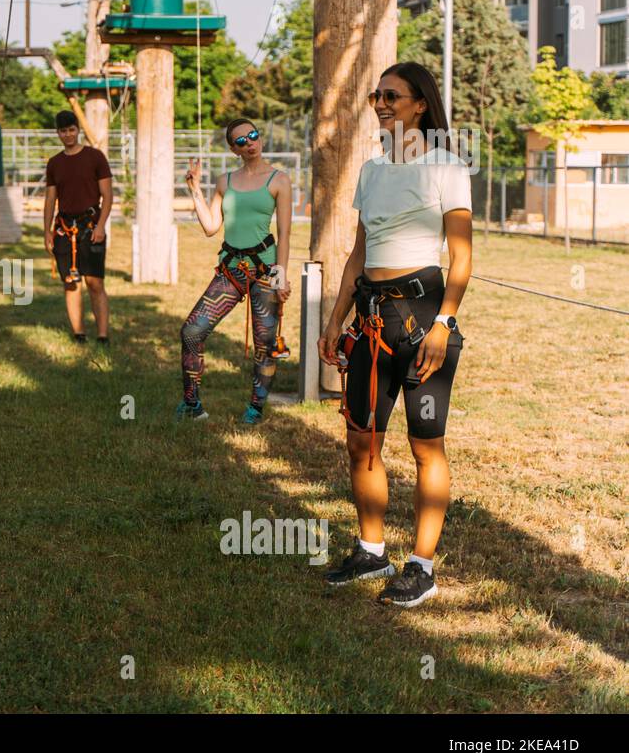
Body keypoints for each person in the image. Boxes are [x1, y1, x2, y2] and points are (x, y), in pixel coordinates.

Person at [318, 61, 472, 608]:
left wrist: (443, 323)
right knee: (361, 440)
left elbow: (462, 257)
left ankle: (422, 567)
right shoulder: (372, 170)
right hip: (371, 317)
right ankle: (371, 551)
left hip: (424, 316)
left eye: (391, 95)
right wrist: (336, 319)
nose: (380, 104)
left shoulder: (447, 167)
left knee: (426, 446)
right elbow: (358, 252)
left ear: (419, 105)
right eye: (376, 96)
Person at [176, 119, 292, 425]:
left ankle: (255, 408)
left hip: (265, 271)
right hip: (230, 270)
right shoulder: (225, 181)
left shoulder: (279, 180)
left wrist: (281, 276)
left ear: (259, 138)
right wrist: (195, 190)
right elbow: (211, 227)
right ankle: (192, 404)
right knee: (191, 331)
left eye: (252, 136)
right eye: (241, 141)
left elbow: (284, 234)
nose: (249, 143)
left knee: (264, 344)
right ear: (233, 149)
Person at [42, 110, 112, 344]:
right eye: (63, 131)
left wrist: (100, 226)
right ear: (58, 133)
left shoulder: (95, 158)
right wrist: (47, 232)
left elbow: (107, 195)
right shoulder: (54, 163)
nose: (68, 135)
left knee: (94, 282)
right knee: (70, 283)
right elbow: (50, 200)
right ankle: (79, 334)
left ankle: (102, 336)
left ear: (78, 130)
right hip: (64, 228)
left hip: (91, 226)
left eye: (71, 130)